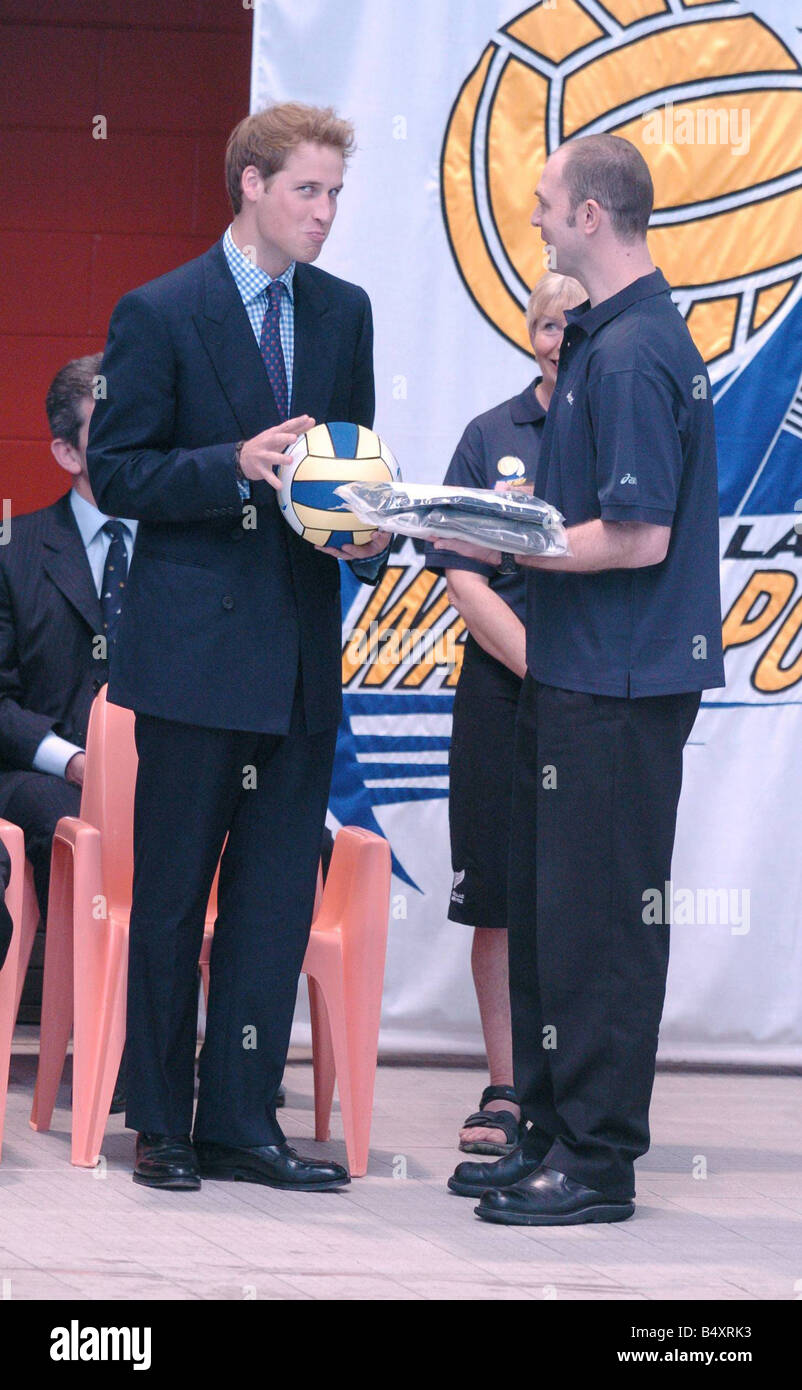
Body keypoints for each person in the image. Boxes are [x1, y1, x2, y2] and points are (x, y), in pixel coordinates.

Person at [87, 102, 390, 1192]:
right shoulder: (160, 310)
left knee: (269, 906)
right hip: (193, 661)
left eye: (336, 194)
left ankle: (242, 1122)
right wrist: (231, 462)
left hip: (302, 658)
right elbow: (119, 472)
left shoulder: (345, 313)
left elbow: (352, 470)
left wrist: (369, 532)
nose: (325, 212)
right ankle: (162, 1120)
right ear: (251, 185)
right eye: (308, 190)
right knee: (170, 899)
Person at [442, 134, 725, 1224]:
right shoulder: (611, 341)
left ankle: (597, 1159)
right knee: (553, 914)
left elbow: (640, 537)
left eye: (547, 201)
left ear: (593, 217)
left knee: (601, 921)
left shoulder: (632, 352)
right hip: (575, 673)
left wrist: (505, 536)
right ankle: (551, 1131)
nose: (535, 212)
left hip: (617, 682)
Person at [425, 271, 586, 1155]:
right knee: (498, 898)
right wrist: (540, 667)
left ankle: (572, 1094)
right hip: (501, 692)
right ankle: (506, 1089)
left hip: (598, 697)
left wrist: (572, 677)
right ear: (532, 331)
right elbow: (461, 575)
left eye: (578, 323)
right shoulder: (491, 436)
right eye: (550, 323)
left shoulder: (614, 430)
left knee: (580, 899)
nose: (562, 338)